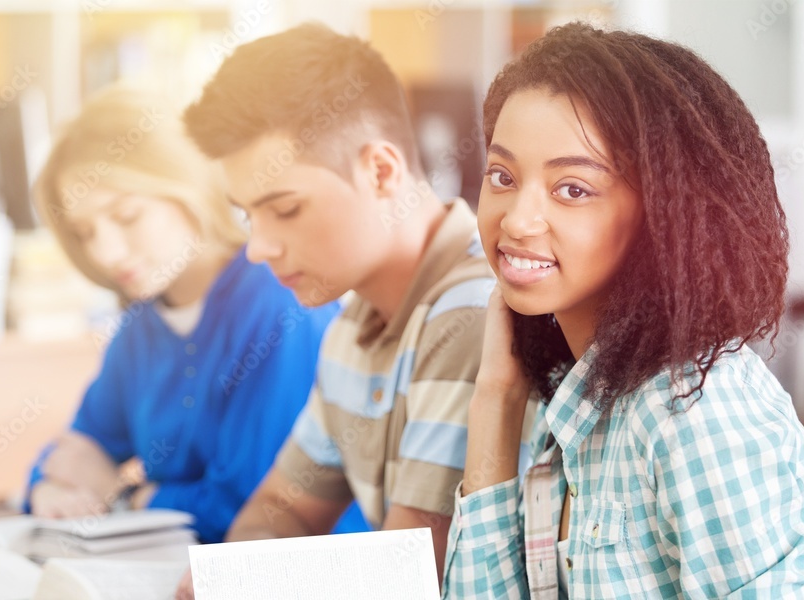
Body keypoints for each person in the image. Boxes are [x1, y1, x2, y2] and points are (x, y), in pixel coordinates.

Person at [444, 22, 804, 598]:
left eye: (573, 189)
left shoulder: (696, 408)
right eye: (502, 176)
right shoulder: (571, 397)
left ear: (663, 215)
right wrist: (495, 399)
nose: (516, 220)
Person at [175, 23, 540, 598]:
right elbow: (278, 512)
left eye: (285, 209)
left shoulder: (474, 312)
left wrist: (242, 579)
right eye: (248, 215)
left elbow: (411, 571)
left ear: (381, 172)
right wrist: (235, 576)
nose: (258, 248)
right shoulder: (351, 328)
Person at [24, 85, 367, 544]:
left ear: (191, 189)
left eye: (127, 216)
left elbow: (254, 512)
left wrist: (124, 495)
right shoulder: (142, 327)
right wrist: (46, 488)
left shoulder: (278, 303)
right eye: (84, 232)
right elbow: (76, 449)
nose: (105, 252)